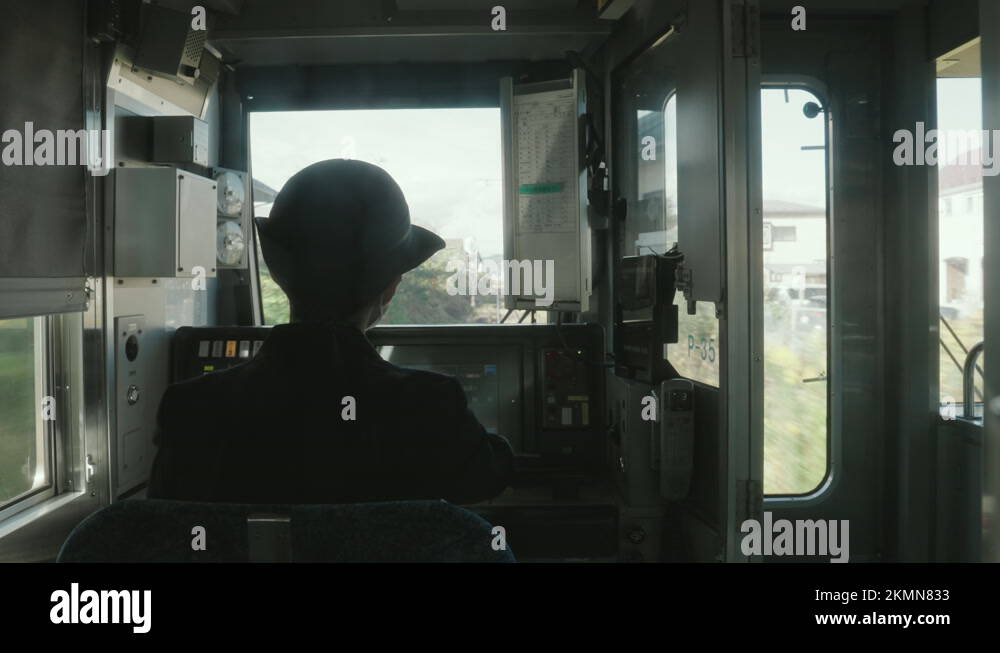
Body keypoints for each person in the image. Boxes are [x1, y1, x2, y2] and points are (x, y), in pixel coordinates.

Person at [148, 159, 514, 505]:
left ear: (277, 274)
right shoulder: (430, 407)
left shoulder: (191, 409)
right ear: (389, 291)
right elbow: (484, 478)